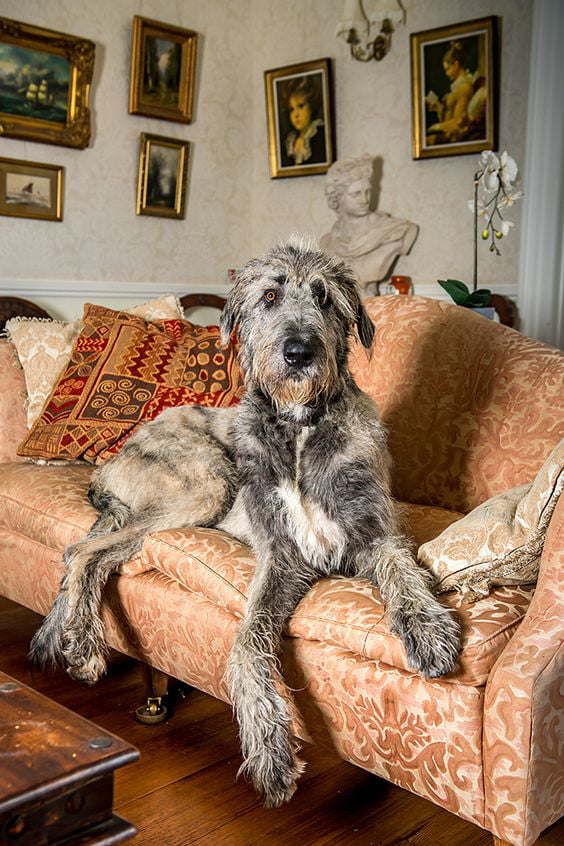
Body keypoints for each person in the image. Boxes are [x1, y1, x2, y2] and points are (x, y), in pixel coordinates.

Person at [319, 155, 418, 289]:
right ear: (338, 198)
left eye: (367, 192)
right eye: (356, 194)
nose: (364, 200)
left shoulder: (397, 231)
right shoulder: (327, 243)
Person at [425, 41, 480, 145]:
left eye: (448, 69)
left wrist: (437, 126)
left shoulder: (464, 88)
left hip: (454, 136)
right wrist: (438, 108)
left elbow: (458, 121)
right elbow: (450, 116)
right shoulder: (458, 88)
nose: (446, 73)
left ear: (456, 64)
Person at [279, 75, 327, 168]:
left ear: (311, 107)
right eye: (291, 109)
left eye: (300, 106)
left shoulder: (320, 135)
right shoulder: (289, 141)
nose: (296, 115)